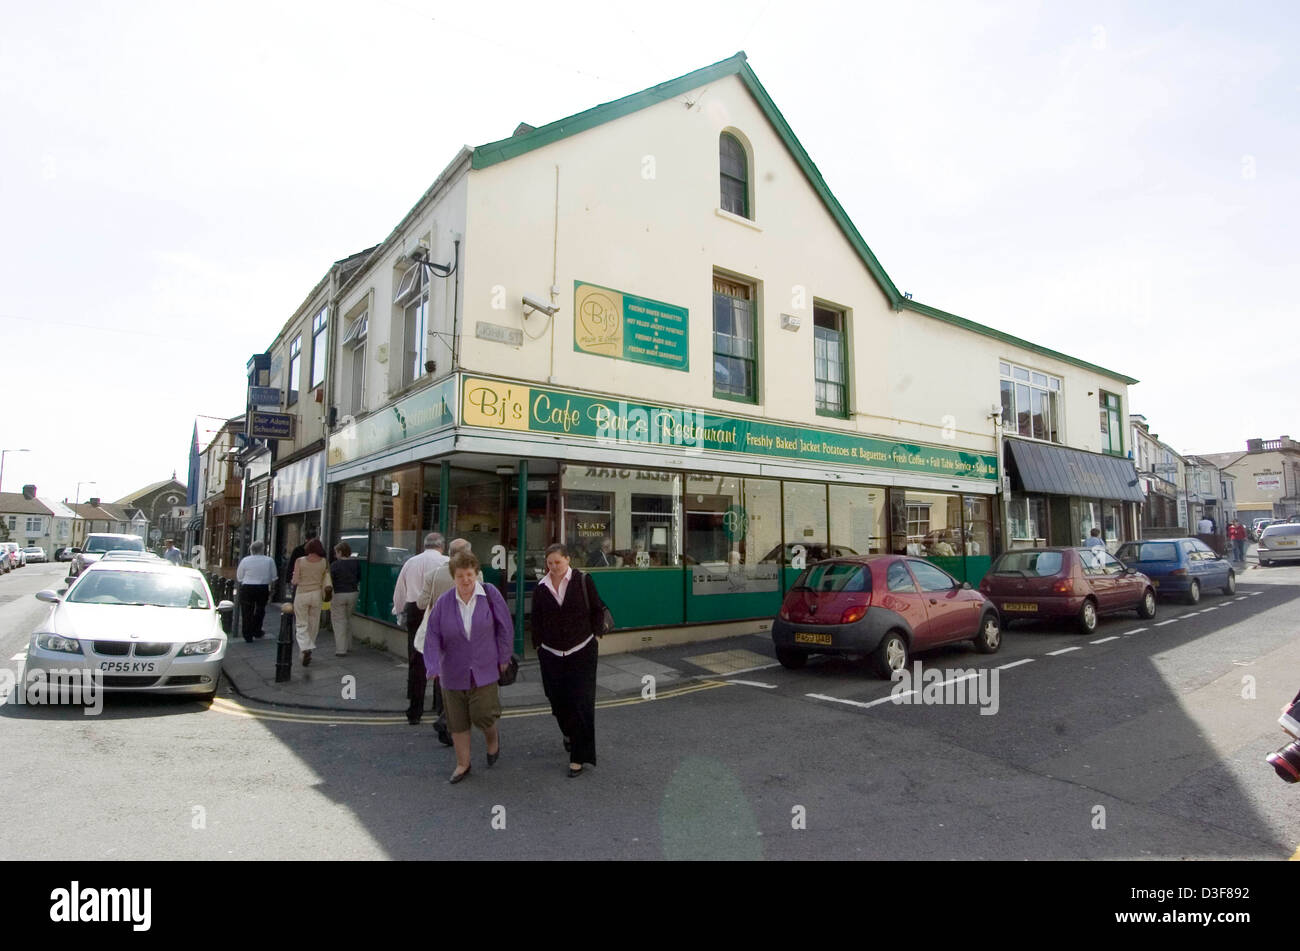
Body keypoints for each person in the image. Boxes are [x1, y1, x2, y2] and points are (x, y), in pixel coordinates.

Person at [424, 550, 513, 784]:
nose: (466, 580)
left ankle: (492, 740)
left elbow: (505, 627)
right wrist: (432, 665)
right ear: (453, 577)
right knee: (457, 721)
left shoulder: (490, 595)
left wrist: (504, 657)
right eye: (461, 575)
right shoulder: (444, 602)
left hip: (485, 668)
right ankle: (463, 764)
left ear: (477, 574)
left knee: (484, 714)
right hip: (452, 671)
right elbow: (432, 635)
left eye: (470, 575)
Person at [531, 542, 608, 778]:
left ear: (568, 560)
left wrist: (595, 634)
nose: (554, 567)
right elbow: (536, 619)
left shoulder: (583, 581)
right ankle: (569, 732)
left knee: (582, 703)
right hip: (551, 654)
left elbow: (597, 609)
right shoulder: (541, 588)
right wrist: (539, 646)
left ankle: (579, 757)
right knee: (557, 701)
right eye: (550, 563)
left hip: (582, 650)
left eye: (558, 562)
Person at [415, 537, 475, 745]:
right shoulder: (474, 575)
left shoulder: (434, 575)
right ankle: (447, 720)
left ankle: (444, 716)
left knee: (444, 677)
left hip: (439, 633)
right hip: (464, 634)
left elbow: (422, 604)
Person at [392, 533, 448, 725]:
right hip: (439, 610)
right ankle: (439, 707)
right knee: (442, 659)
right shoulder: (446, 562)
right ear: (441, 546)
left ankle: (415, 711)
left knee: (417, 660)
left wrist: (399, 612)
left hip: (415, 610)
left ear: (425, 545)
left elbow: (400, 590)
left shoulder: (411, 562)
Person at [291, 538, 331, 666]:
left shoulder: (300, 561)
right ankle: (307, 651)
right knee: (313, 624)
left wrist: (294, 578)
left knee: (301, 624)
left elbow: (295, 581)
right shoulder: (324, 562)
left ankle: (304, 647)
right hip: (316, 595)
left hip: (302, 594)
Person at [235, 541, 277, 641]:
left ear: (251, 550)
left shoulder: (245, 560)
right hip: (262, 587)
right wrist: (272, 588)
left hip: (247, 588)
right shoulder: (269, 560)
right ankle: (257, 630)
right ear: (262, 549)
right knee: (260, 610)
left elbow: (239, 576)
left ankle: (247, 634)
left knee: (246, 611)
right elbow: (274, 576)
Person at [329, 541, 361, 655]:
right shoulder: (356, 563)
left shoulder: (335, 565)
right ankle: (349, 645)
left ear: (340, 552)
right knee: (348, 619)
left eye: (336, 552)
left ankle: (341, 649)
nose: (335, 555)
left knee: (339, 622)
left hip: (338, 594)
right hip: (353, 593)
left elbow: (330, 581)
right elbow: (358, 578)